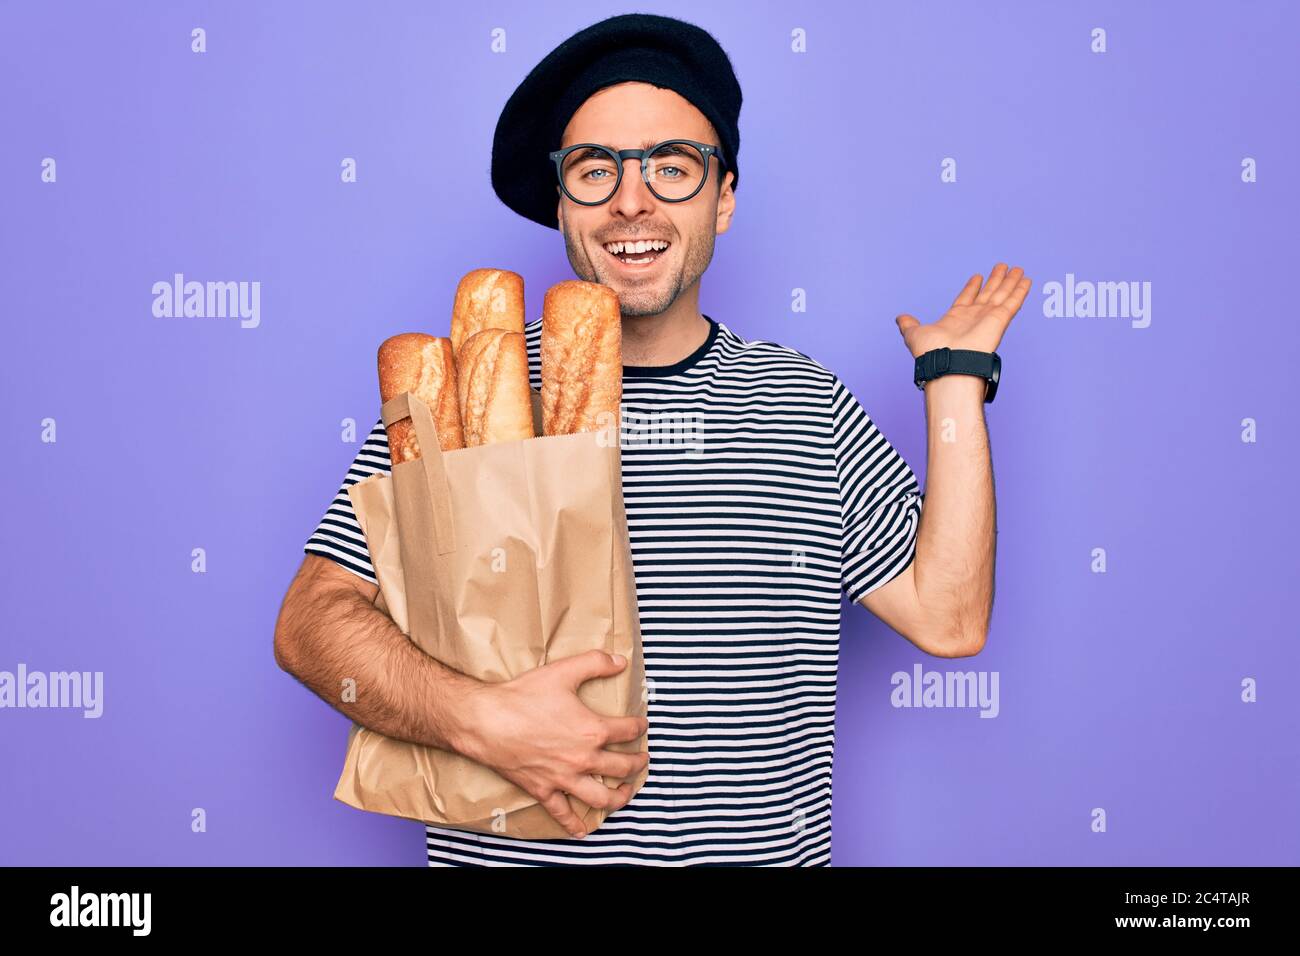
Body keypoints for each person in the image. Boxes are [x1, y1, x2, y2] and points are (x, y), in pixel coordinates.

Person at [274, 12, 1031, 866]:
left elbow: (951, 617)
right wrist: (480, 721)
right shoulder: (458, 394)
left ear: (725, 197)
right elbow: (313, 623)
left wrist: (956, 379)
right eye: (596, 171)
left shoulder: (805, 405)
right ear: (561, 204)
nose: (632, 200)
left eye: (673, 167)